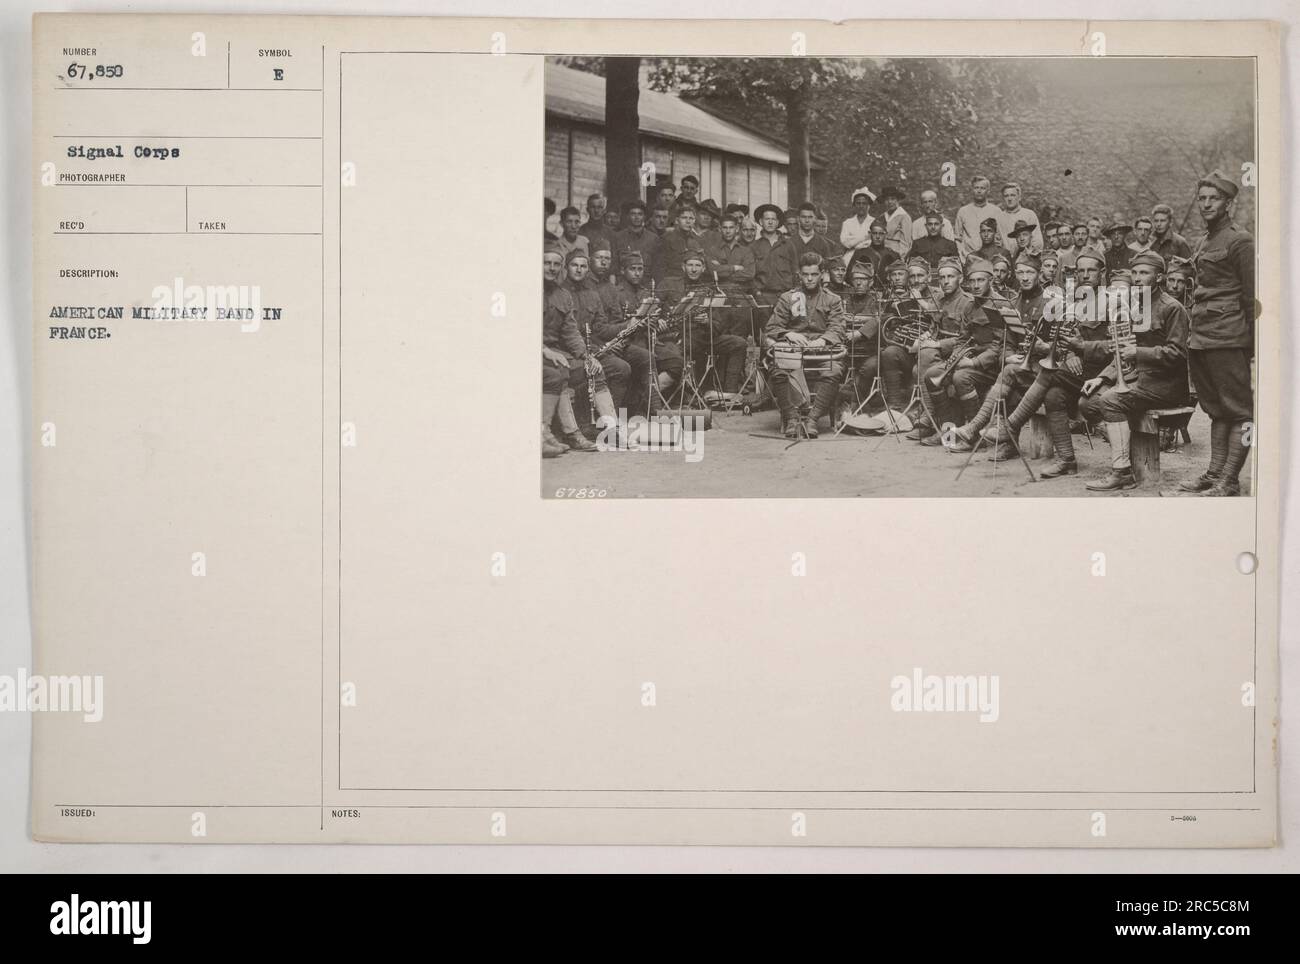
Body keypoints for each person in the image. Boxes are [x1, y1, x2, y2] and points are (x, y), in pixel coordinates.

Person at [1077, 250, 1190, 490]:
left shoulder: (1173, 308)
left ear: (1159, 277)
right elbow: (1120, 350)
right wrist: (1102, 377)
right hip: (1139, 379)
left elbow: (1178, 354)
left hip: (1166, 384)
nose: (1137, 279)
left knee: (1109, 401)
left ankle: (1122, 471)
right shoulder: (1134, 306)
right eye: (1135, 273)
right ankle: (1125, 453)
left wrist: (1138, 353)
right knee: (1088, 402)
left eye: (1144, 273)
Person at [1178, 170, 1254, 496]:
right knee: (1216, 409)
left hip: (1228, 337)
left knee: (1240, 411)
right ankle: (1214, 474)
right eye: (1203, 198)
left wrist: (1252, 344)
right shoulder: (1203, 240)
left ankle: (1231, 480)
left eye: (1214, 198)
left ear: (1228, 204)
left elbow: (1253, 297)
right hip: (1202, 337)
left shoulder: (1240, 241)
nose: (1207, 204)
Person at [542, 242, 615, 457]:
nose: (552, 268)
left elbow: (570, 332)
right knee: (560, 371)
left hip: (557, 351)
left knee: (594, 369)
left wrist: (586, 355)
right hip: (537, 351)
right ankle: (571, 433)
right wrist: (544, 350)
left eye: (556, 264)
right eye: (547, 263)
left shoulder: (563, 296)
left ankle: (612, 429)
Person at [764, 252, 847, 437]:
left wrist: (823, 340)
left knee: (833, 370)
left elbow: (838, 327)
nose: (809, 279)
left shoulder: (832, 299)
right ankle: (792, 418)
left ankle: (813, 420)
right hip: (794, 352)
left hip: (822, 351)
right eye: (805, 274)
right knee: (778, 370)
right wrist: (789, 333)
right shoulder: (788, 298)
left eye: (814, 274)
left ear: (822, 274)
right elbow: (772, 327)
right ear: (799, 275)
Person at [662, 250, 748, 398]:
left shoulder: (709, 289)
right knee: (677, 355)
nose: (693, 269)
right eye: (690, 265)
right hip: (681, 338)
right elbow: (655, 304)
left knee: (739, 343)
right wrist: (660, 319)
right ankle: (684, 394)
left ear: (703, 269)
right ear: (683, 267)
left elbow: (718, 325)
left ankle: (729, 392)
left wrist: (707, 322)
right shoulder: (669, 284)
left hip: (705, 338)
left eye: (697, 265)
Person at [612, 251, 684, 413]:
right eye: (632, 269)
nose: (637, 273)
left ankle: (643, 401)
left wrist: (656, 321)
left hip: (648, 340)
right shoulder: (616, 293)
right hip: (629, 342)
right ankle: (650, 407)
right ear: (623, 271)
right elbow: (615, 324)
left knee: (676, 362)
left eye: (640, 269)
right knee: (645, 361)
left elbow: (654, 319)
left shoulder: (646, 292)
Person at [841, 261, 909, 419]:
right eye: (855, 279)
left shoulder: (879, 299)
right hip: (848, 350)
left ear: (871, 282)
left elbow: (881, 317)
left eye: (863, 279)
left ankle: (857, 407)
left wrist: (860, 332)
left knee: (868, 368)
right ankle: (852, 405)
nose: (858, 282)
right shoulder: (845, 299)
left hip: (872, 351)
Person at [613, 199, 662, 283]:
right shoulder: (618, 237)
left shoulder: (653, 239)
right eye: (633, 214)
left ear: (645, 217)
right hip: (623, 285)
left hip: (646, 285)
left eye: (640, 214)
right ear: (627, 216)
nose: (636, 217)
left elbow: (657, 267)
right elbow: (614, 266)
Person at [846, 218, 901, 290]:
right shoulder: (860, 253)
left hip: (887, 294)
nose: (877, 237)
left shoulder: (894, 255)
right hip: (865, 293)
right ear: (870, 234)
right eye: (875, 233)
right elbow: (849, 276)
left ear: (886, 235)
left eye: (881, 233)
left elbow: (900, 277)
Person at [955, 175, 1002, 258]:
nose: (979, 191)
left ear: (988, 191)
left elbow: (1000, 237)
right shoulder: (963, 211)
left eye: (982, 188)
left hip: (991, 257)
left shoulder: (996, 211)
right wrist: (963, 255)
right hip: (968, 257)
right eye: (976, 188)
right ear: (972, 190)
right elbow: (958, 238)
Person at [994, 183, 1043, 257]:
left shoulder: (1029, 214)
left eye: (1012, 195)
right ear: (1003, 198)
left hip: (1027, 259)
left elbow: (1038, 241)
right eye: (1006, 196)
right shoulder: (999, 217)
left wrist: (1027, 257)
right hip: (1006, 259)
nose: (1009, 199)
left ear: (1019, 197)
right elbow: (997, 241)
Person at [840, 187, 877, 255]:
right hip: (849, 257)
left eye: (864, 203)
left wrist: (853, 241)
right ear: (854, 205)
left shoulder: (875, 222)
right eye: (858, 203)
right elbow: (846, 243)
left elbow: (875, 242)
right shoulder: (847, 223)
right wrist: (865, 237)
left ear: (869, 205)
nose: (861, 206)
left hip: (869, 256)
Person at [880, 186, 912, 258]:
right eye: (887, 199)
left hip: (896, 253)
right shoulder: (882, 217)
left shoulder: (904, 217)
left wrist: (900, 258)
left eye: (893, 199)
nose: (890, 202)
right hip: (881, 252)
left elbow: (906, 243)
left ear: (898, 200)